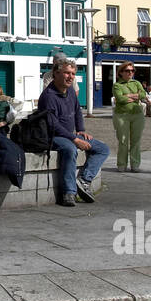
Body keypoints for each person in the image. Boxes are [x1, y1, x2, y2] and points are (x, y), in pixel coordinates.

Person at [38, 53, 110, 206]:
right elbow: (53, 124)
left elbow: (77, 110)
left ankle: (84, 180)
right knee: (70, 150)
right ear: (56, 74)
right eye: (66, 73)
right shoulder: (49, 96)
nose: (70, 77)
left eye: (72, 74)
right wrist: (75, 139)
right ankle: (68, 193)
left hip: (70, 134)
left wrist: (81, 130)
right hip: (53, 136)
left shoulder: (70, 91)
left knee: (102, 148)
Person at [111, 63, 146, 172]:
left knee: (136, 140)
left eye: (132, 70)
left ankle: (135, 164)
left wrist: (128, 96)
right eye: (127, 70)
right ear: (121, 72)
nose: (130, 72)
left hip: (137, 114)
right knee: (123, 140)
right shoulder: (117, 85)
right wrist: (134, 96)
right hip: (122, 115)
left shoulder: (136, 83)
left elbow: (143, 95)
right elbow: (120, 99)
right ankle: (122, 164)